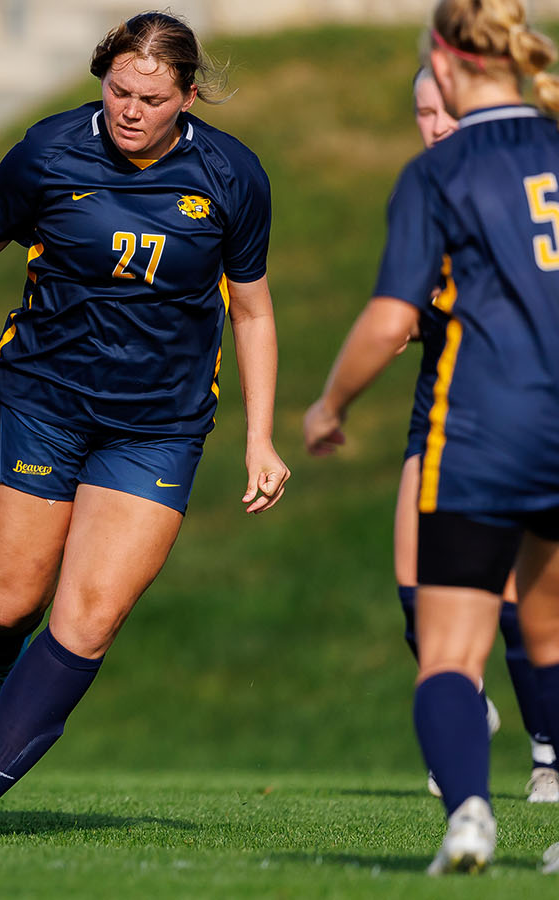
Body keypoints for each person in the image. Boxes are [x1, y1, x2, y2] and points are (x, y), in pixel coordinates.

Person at [0, 11, 289, 838]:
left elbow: (251, 313)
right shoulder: (47, 150)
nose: (130, 110)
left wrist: (260, 436)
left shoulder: (232, 176)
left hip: (159, 426)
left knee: (92, 614)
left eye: (151, 97)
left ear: (188, 96)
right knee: (9, 604)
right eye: (117, 91)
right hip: (44, 402)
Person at [303, 0, 559, 874]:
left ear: (446, 63)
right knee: (554, 638)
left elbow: (387, 320)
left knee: (450, 650)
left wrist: (329, 404)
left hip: (483, 434)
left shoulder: (439, 172)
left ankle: (470, 820)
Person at [395, 67, 555, 803]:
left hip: (518, 419)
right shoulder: (434, 187)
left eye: (445, 110)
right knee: (417, 591)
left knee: (529, 608)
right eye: (424, 112)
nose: (435, 124)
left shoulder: (514, 183)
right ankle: (463, 727)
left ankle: (545, 751)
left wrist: (333, 397)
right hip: (443, 415)